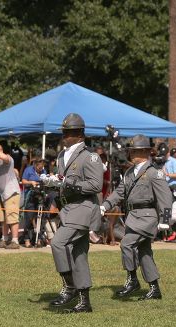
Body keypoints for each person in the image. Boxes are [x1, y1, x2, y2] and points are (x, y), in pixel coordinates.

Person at [100, 134, 172, 301]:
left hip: (147, 217)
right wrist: (105, 205)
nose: (132, 154)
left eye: (136, 151)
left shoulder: (154, 173)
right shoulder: (130, 173)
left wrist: (165, 220)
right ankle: (154, 289)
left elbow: (165, 197)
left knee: (127, 243)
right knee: (144, 253)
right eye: (131, 151)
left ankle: (132, 280)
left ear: (146, 152)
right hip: (133, 217)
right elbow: (119, 192)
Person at [44, 113, 103, 313]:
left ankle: (69, 287)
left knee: (58, 243)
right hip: (67, 209)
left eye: (68, 133)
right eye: (64, 132)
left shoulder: (90, 156)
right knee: (79, 255)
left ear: (79, 134)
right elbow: (62, 180)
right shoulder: (62, 155)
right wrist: (50, 184)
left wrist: (67, 182)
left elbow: (96, 185)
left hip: (84, 208)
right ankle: (84, 301)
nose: (64, 136)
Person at [21, 158, 47, 247]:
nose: (41, 169)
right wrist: (31, 182)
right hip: (30, 197)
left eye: (42, 167)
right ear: (35, 165)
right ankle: (27, 240)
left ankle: (38, 239)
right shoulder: (28, 170)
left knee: (40, 218)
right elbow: (23, 181)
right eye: (39, 167)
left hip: (40, 197)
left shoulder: (44, 171)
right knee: (29, 218)